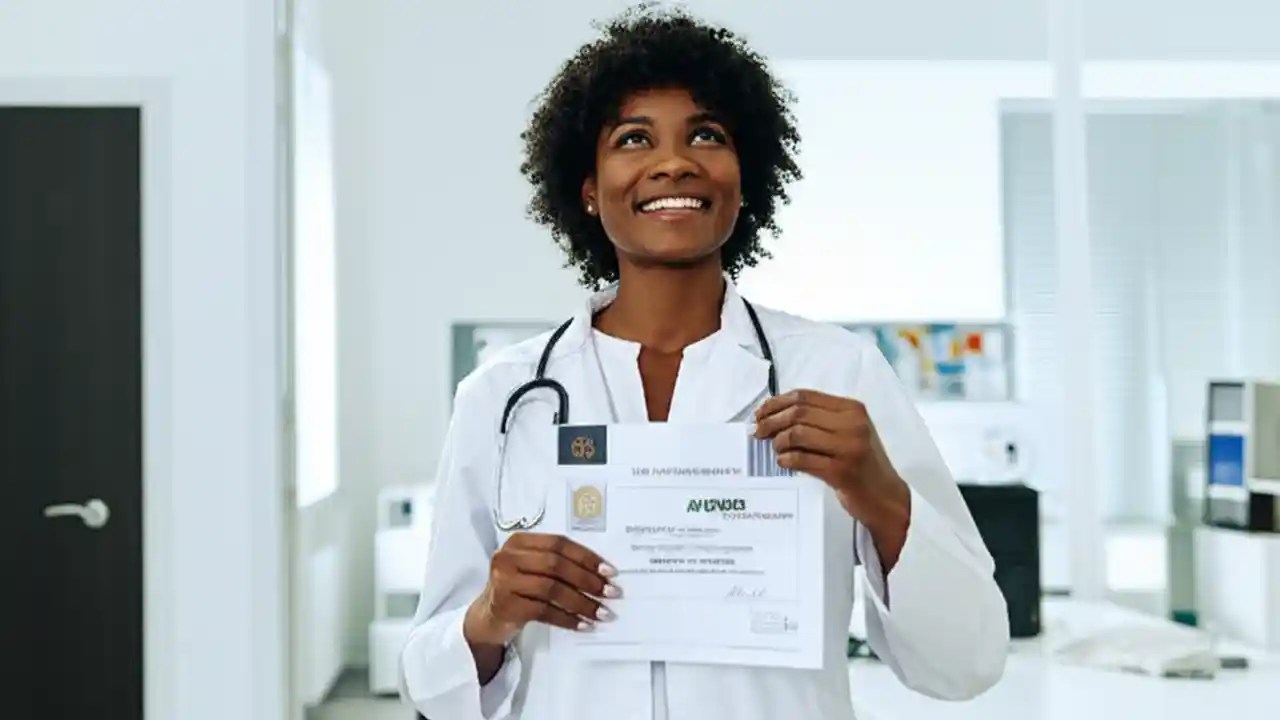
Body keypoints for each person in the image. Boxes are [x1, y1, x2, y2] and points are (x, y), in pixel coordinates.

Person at [400, 7, 1009, 719]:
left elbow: (969, 660)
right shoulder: (504, 400)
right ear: (588, 188)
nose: (674, 161)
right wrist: (489, 618)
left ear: (743, 178)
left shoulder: (840, 373)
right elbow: (428, 685)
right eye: (633, 138)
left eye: (707, 135)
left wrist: (882, 497)